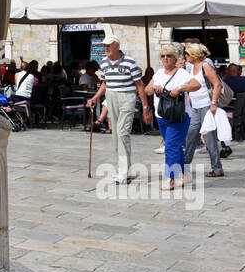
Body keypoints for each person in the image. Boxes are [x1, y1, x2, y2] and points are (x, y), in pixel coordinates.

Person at [87, 35, 152, 182]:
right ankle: (126, 170)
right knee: (116, 135)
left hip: (127, 97)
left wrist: (145, 108)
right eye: (105, 45)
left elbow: (139, 86)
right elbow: (104, 83)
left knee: (123, 132)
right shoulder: (103, 62)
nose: (106, 48)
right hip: (111, 96)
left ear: (117, 45)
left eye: (109, 45)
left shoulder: (129, 62)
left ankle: (123, 173)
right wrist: (95, 98)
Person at [145, 43, 197, 191]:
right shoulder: (159, 74)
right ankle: (185, 175)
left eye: (169, 56)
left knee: (171, 147)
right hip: (161, 115)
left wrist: (180, 88)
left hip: (179, 116)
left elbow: (196, 85)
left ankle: (171, 179)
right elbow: (147, 90)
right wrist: (155, 87)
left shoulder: (182, 73)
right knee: (174, 146)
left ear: (175, 58)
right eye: (163, 56)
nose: (166, 58)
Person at [183, 42, 224, 178]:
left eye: (187, 54)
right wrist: (189, 95)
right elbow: (192, 83)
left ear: (195, 55)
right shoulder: (192, 67)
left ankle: (217, 168)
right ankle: (184, 166)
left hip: (206, 105)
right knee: (191, 135)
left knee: (209, 138)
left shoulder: (205, 66)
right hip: (195, 106)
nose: (185, 56)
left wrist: (213, 103)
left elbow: (217, 84)